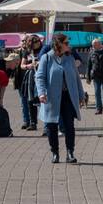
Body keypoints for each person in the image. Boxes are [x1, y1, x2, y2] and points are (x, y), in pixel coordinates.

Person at [36, 32, 83, 165]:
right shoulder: (46, 58)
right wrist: (41, 93)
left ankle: (70, 152)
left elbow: (76, 78)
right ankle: (55, 153)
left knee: (69, 125)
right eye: (66, 43)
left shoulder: (70, 58)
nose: (69, 45)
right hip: (51, 97)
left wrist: (80, 95)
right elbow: (39, 77)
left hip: (68, 97)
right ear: (58, 45)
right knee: (51, 126)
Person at [14, 37, 41, 130]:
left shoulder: (43, 50)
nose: (36, 44)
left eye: (37, 42)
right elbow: (22, 65)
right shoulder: (27, 52)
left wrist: (39, 63)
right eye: (32, 44)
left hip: (40, 78)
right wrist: (28, 66)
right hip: (29, 79)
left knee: (41, 100)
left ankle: (47, 125)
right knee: (30, 100)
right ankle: (32, 123)